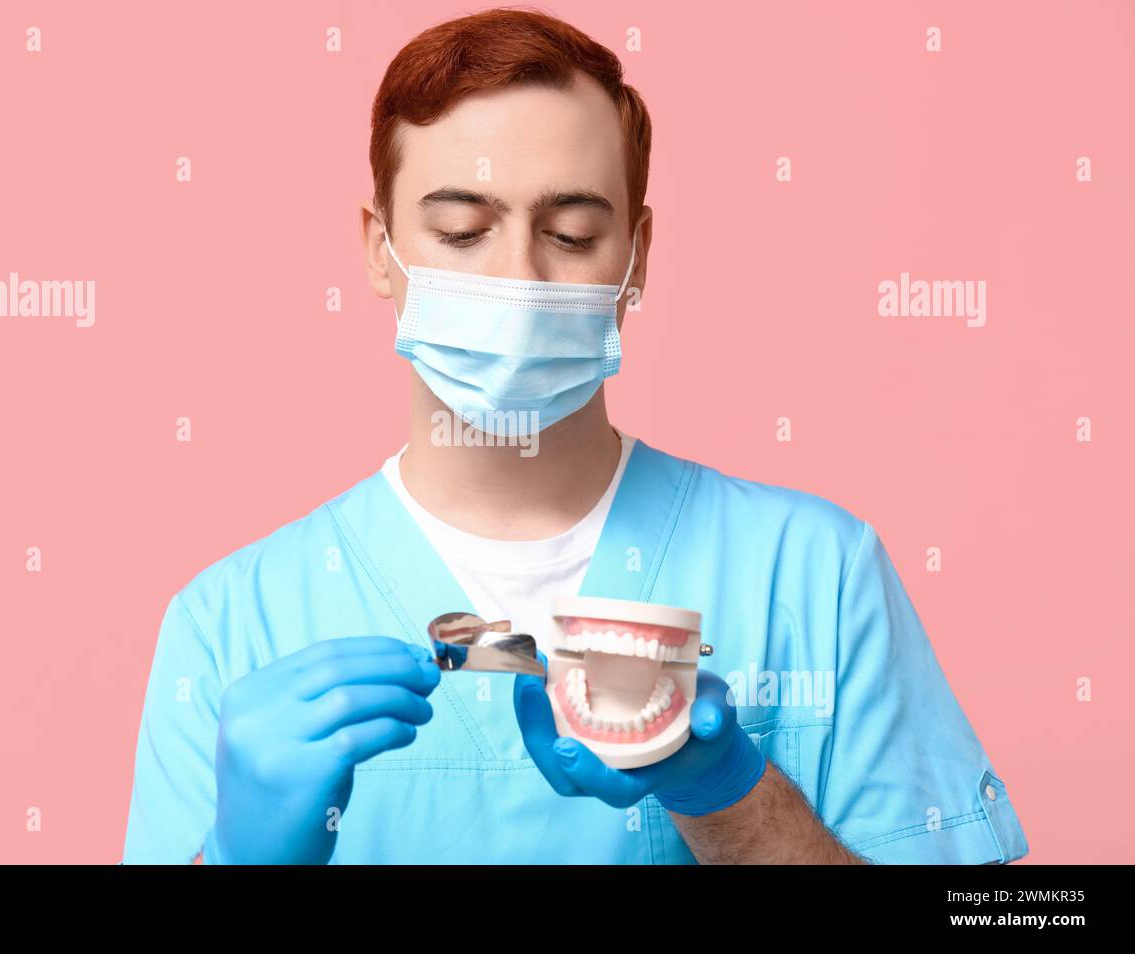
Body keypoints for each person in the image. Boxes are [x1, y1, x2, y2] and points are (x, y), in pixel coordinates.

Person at [121, 7, 1028, 865]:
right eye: (462, 231)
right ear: (377, 248)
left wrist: (728, 793)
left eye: (569, 232)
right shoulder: (232, 622)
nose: (519, 278)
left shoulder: (816, 575)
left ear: (636, 258)